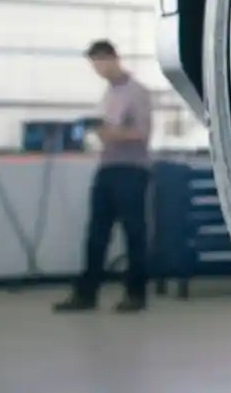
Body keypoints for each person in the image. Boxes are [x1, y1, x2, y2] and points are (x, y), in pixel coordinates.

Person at [54, 40, 154, 313]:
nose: (98, 69)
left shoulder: (137, 93)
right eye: (94, 64)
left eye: (100, 62)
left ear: (113, 58)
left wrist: (112, 133)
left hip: (132, 169)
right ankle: (86, 294)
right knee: (96, 233)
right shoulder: (109, 94)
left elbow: (142, 134)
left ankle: (136, 294)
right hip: (108, 167)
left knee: (134, 232)